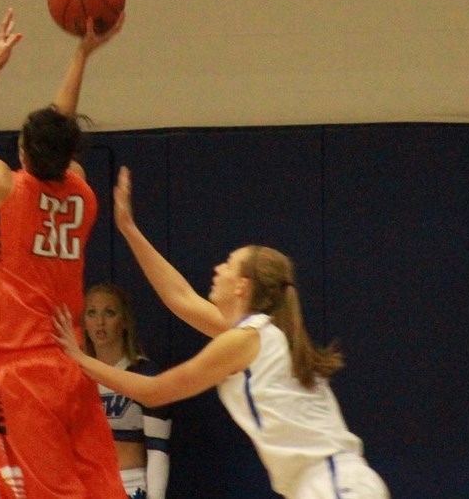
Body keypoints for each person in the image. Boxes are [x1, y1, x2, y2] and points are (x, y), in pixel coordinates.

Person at [53, 166, 391, 499]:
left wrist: (79, 358)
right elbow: (180, 299)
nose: (218, 269)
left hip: (333, 483)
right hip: (328, 482)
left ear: (243, 287)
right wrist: (128, 229)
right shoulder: (259, 335)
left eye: (228, 264)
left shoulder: (245, 340)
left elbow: (155, 392)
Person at [0, 7, 126, 498]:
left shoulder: (6, 189)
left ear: (24, 153)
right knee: (100, 485)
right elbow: (61, 126)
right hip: (74, 364)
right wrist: (81, 54)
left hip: (22, 372)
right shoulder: (82, 193)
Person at [84, 283, 172, 499]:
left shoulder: (145, 374)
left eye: (110, 313)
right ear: (84, 322)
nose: (100, 322)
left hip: (131, 485)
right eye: (92, 313)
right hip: (85, 485)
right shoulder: (76, 376)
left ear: (124, 322)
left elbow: (158, 448)